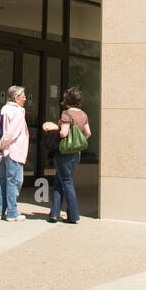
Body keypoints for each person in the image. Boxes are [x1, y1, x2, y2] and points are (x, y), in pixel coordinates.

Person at [47, 87, 92, 224]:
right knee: (59, 182)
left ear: (67, 99)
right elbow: (88, 133)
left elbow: (64, 133)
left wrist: (55, 128)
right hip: (76, 153)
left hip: (64, 153)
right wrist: (77, 142)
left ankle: (73, 215)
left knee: (67, 182)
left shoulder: (66, 114)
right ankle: (54, 214)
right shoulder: (83, 115)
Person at [0, 84, 29, 221]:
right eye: (23, 96)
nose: (25, 99)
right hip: (14, 150)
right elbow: (12, 133)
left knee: (2, 180)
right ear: (16, 98)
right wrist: (2, 145)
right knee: (14, 181)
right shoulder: (19, 112)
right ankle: (12, 212)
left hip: (3, 151)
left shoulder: (1, 110)